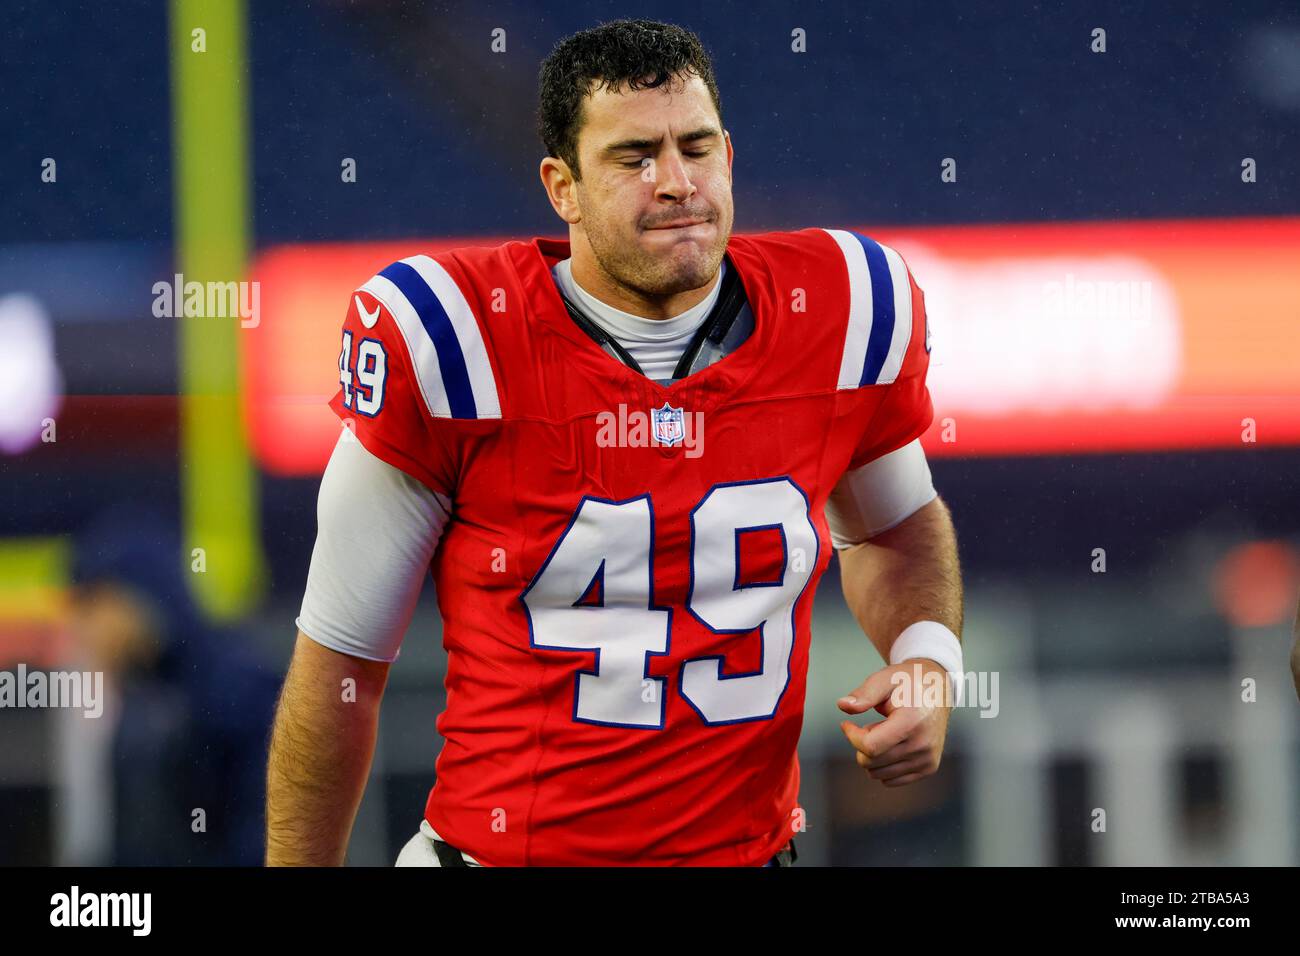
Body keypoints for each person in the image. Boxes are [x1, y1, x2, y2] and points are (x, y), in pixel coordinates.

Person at [266, 18, 964, 867]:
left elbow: (895, 527)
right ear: (563, 187)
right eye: (634, 158)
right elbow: (342, 667)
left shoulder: (843, 308)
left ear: (729, 156)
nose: (676, 182)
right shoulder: (455, 341)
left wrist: (927, 662)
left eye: (696, 147)